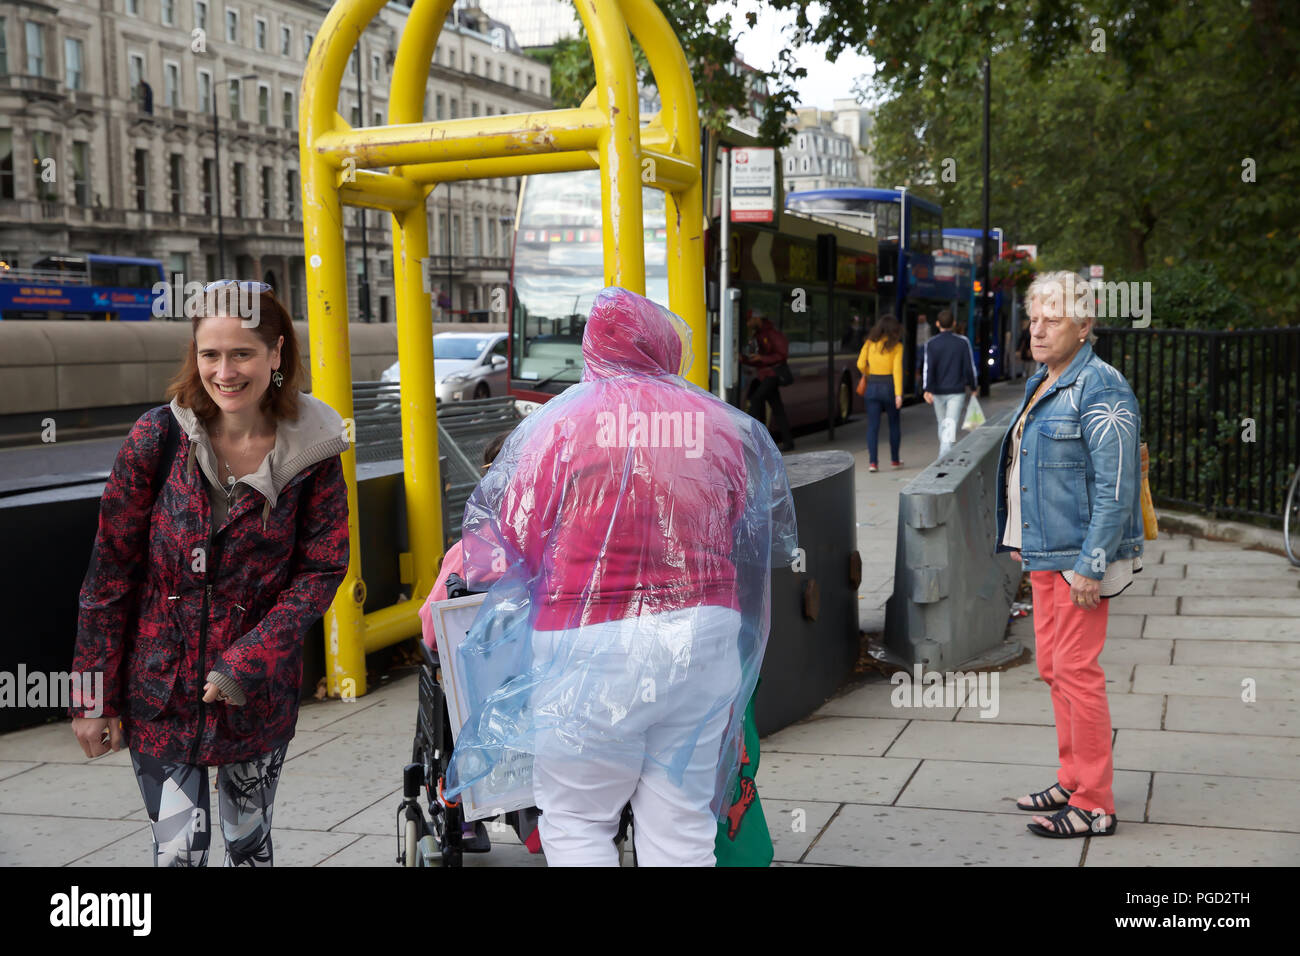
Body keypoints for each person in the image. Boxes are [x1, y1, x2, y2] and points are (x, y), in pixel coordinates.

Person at [447, 287, 797, 866]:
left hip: (586, 642)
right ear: (666, 349)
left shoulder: (555, 427)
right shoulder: (720, 426)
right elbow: (742, 526)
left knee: (579, 819)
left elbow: (511, 538)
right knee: (682, 821)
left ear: (591, 349)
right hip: (702, 636)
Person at [69, 282, 350, 866]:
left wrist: (245, 661)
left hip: (256, 698)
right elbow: (109, 575)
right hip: (159, 693)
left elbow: (321, 568)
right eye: (210, 355)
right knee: (177, 851)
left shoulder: (313, 451)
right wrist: (92, 695)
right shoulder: (156, 438)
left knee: (248, 845)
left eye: (242, 353)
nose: (224, 371)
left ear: (277, 355)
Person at [995, 271, 1145, 839]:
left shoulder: (1101, 387)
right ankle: (1072, 776)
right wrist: (1020, 537)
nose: (1036, 329)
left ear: (1085, 327)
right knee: (1054, 667)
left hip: (1079, 557)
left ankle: (1095, 803)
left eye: (1051, 320)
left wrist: (1092, 562)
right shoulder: (1046, 378)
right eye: (1033, 318)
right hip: (1045, 551)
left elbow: (1116, 485)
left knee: (1078, 673)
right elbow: (1026, 469)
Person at [922, 309, 977, 456]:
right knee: (949, 426)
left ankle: (944, 457)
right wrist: (973, 386)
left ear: (937, 324)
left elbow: (928, 368)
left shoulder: (931, 344)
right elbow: (969, 367)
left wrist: (927, 389)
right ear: (953, 323)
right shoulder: (963, 342)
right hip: (956, 391)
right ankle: (944, 459)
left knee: (944, 425)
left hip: (938, 392)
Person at [740, 308, 795, 452]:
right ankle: (788, 442)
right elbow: (762, 361)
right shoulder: (760, 334)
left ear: (757, 319)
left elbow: (782, 355)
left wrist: (761, 358)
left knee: (756, 400)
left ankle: (747, 439)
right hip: (767, 375)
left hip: (772, 375)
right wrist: (745, 360)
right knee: (777, 409)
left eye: (749, 320)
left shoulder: (771, 333)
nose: (748, 323)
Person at [856, 314, 904, 472]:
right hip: (889, 387)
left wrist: (869, 373)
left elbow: (860, 364)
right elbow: (897, 370)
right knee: (894, 424)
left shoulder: (870, 343)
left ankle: (873, 463)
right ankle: (895, 460)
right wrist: (898, 394)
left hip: (872, 386)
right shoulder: (897, 347)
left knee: (873, 426)